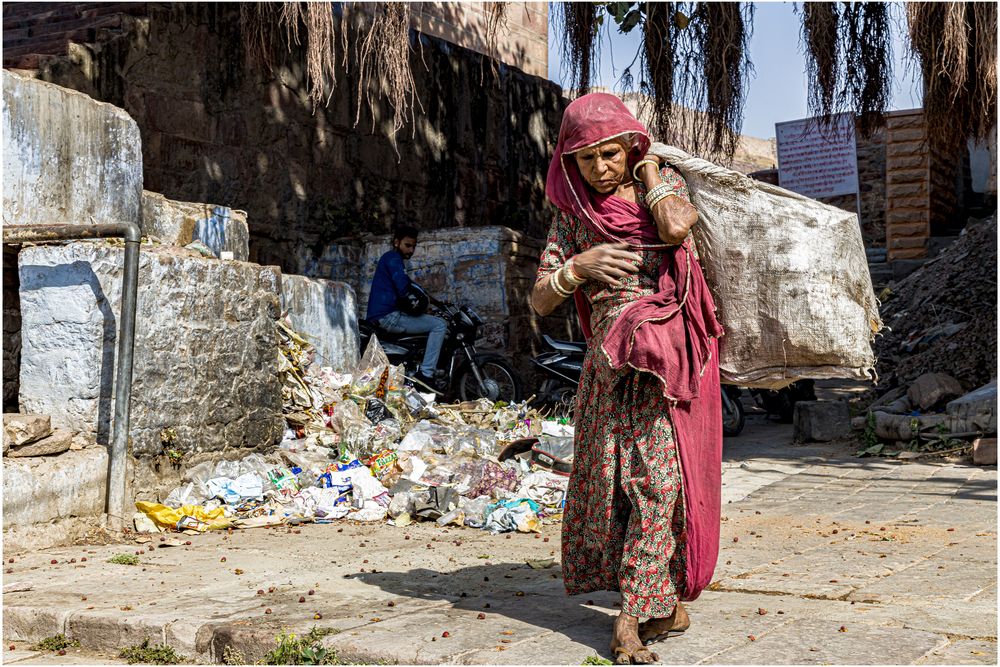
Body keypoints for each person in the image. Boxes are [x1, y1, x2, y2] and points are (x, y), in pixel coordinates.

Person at [531, 93, 724, 665]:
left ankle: (629, 621)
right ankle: (658, 605)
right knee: (616, 486)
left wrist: (648, 169)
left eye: (610, 154)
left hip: (667, 362)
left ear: (630, 147)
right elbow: (541, 299)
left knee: (661, 484)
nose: (599, 169)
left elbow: (673, 226)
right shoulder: (572, 218)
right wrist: (577, 269)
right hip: (611, 369)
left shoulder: (655, 188)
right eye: (585, 160)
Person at [366, 225, 447, 387]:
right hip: (388, 316)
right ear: (397, 242)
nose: (411, 250)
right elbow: (405, 290)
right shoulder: (393, 259)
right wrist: (423, 306)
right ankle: (426, 374)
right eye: (407, 245)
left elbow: (413, 287)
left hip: (384, 316)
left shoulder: (391, 259)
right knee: (439, 325)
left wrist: (436, 303)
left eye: (414, 246)